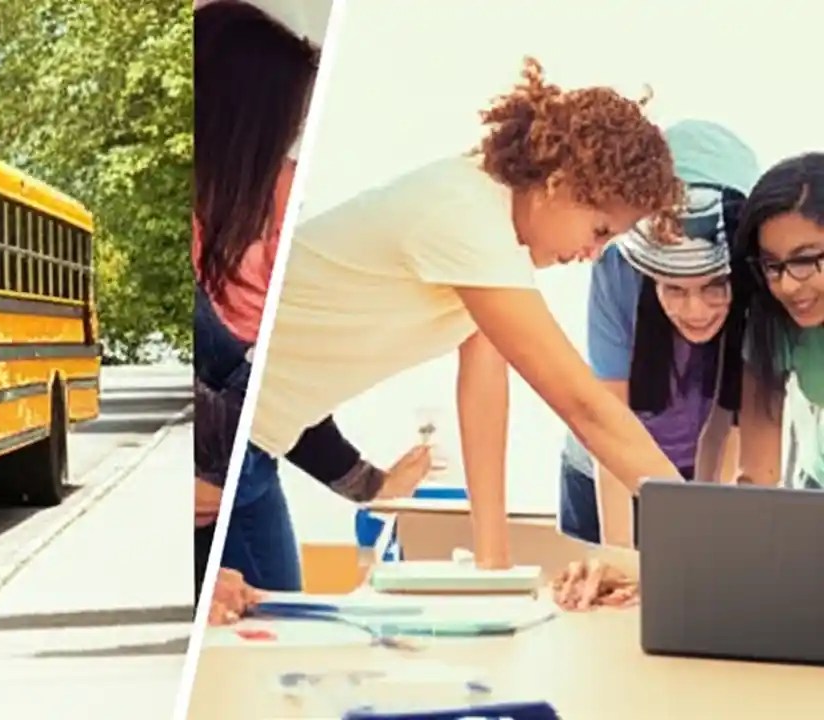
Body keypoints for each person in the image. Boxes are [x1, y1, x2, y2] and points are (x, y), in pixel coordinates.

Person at [239, 55, 690, 586]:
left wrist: (492, 562)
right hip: (233, 431)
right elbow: (584, 406)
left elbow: (485, 388)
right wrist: (704, 529)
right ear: (560, 182)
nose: (594, 254)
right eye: (600, 230)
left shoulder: (491, 232)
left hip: (261, 447)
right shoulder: (467, 214)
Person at [193, 0, 431, 599]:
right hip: (226, 469)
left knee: (272, 623)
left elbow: (275, 383)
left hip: (247, 466)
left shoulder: (273, 199)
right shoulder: (255, 206)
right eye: (289, 121)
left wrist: (369, 484)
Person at [558, 120, 759, 548]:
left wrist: (710, 529)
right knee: (609, 585)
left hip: (697, 471)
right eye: (674, 288)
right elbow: (608, 419)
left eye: (714, 286)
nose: (695, 311)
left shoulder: (761, 283)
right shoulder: (617, 270)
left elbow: (731, 427)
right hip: (606, 468)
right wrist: (617, 557)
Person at [737, 152, 824, 490]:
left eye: (804, 260)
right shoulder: (772, 318)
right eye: (772, 265)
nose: (787, 286)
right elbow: (757, 473)